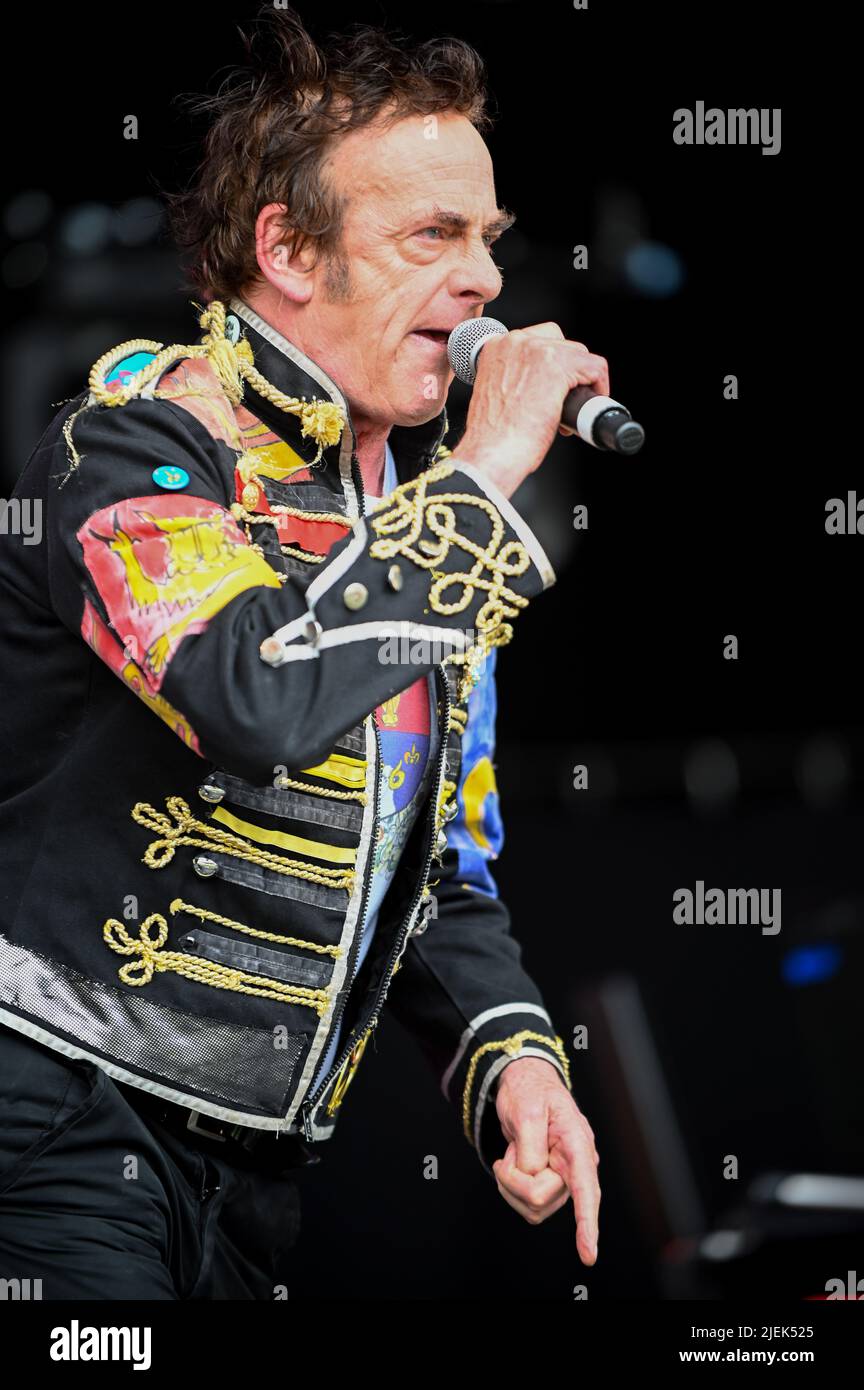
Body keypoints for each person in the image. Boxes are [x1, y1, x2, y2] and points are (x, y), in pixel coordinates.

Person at [0, 7, 603, 1299]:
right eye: (432, 236)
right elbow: (251, 698)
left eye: (488, 240)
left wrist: (522, 1063)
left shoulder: (420, 522)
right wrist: (492, 475)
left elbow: (432, 858)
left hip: (260, 1185)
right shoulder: (135, 446)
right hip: (49, 1122)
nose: (488, 280)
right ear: (286, 247)